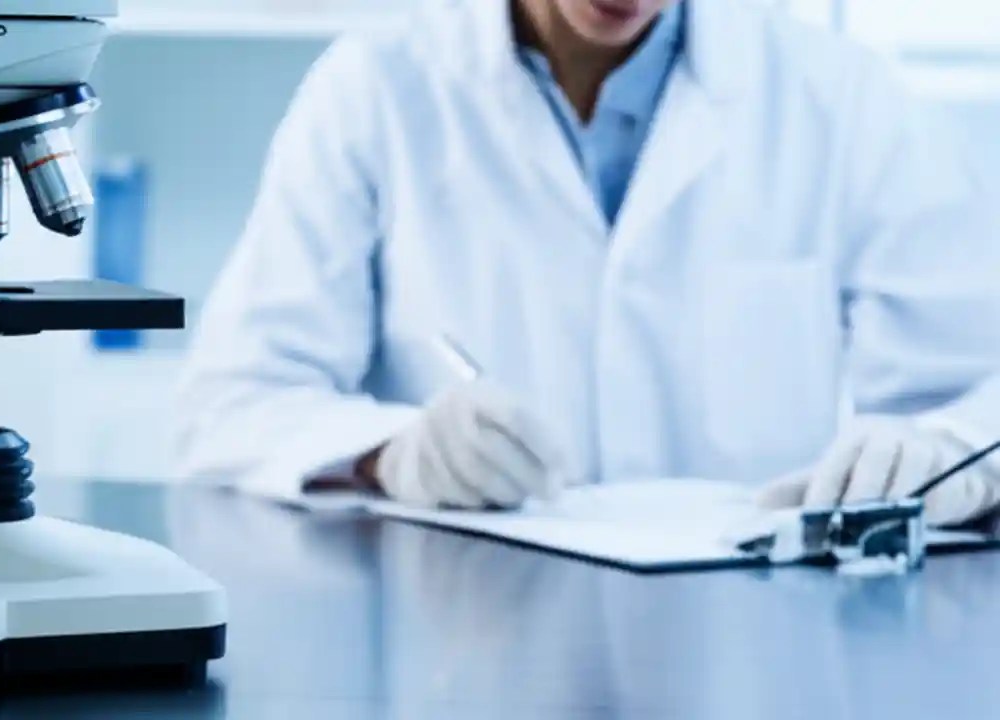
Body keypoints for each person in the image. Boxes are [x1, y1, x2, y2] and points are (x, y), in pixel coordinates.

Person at [171, 0, 1000, 527]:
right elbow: (235, 402)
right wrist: (392, 454)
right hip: (469, 632)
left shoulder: (840, 94)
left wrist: (949, 450)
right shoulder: (377, 90)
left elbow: (975, 390)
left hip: (750, 633)